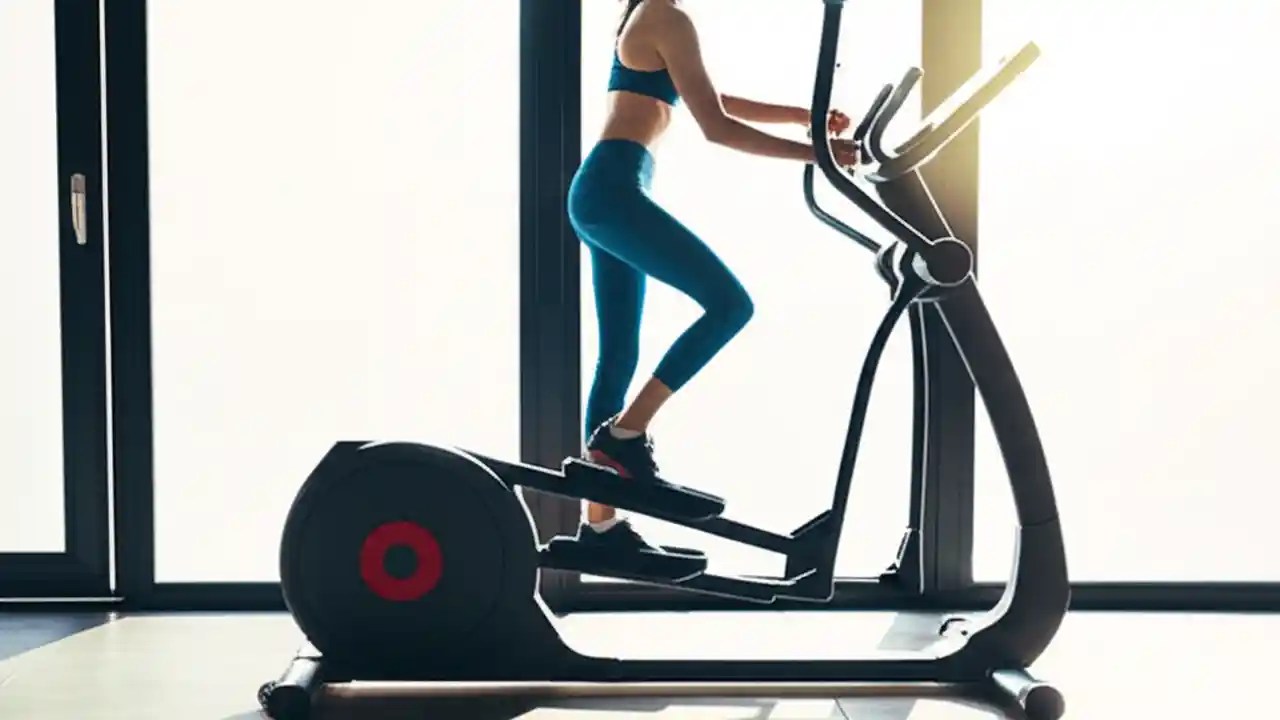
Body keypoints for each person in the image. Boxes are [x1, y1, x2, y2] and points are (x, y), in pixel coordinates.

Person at [566, 0, 860, 561]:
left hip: (604, 192)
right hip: (612, 190)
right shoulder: (664, 16)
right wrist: (818, 156)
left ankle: (598, 530)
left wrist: (802, 116)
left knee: (618, 358)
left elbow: (711, 98)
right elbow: (717, 128)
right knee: (729, 306)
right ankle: (624, 436)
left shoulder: (649, 19)